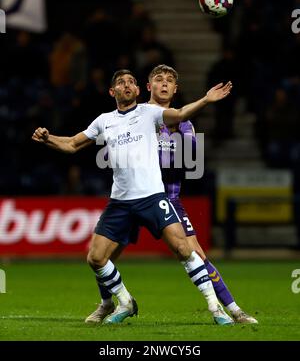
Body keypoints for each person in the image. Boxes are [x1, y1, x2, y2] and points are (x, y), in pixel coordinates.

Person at [32, 69, 233, 325]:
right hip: (120, 202)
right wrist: (48, 139)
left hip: (152, 196)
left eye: (131, 82)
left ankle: (217, 309)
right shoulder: (103, 120)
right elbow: (71, 144)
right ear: (112, 91)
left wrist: (206, 100)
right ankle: (122, 302)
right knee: (96, 258)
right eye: (120, 83)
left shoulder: (149, 113)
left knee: (185, 249)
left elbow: (181, 114)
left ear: (138, 90)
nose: (126, 85)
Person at [85, 65, 258, 325]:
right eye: (158, 79)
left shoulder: (183, 123)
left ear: (176, 89)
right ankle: (107, 303)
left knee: (195, 253)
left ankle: (233, 310)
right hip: (131, 196)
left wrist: (169, 144)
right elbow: (114, 154)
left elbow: (193, 162)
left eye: (170, 81)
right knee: (103, 257)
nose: (164, 84)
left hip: (167, 198)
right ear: (148, 87)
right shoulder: (137, 115)